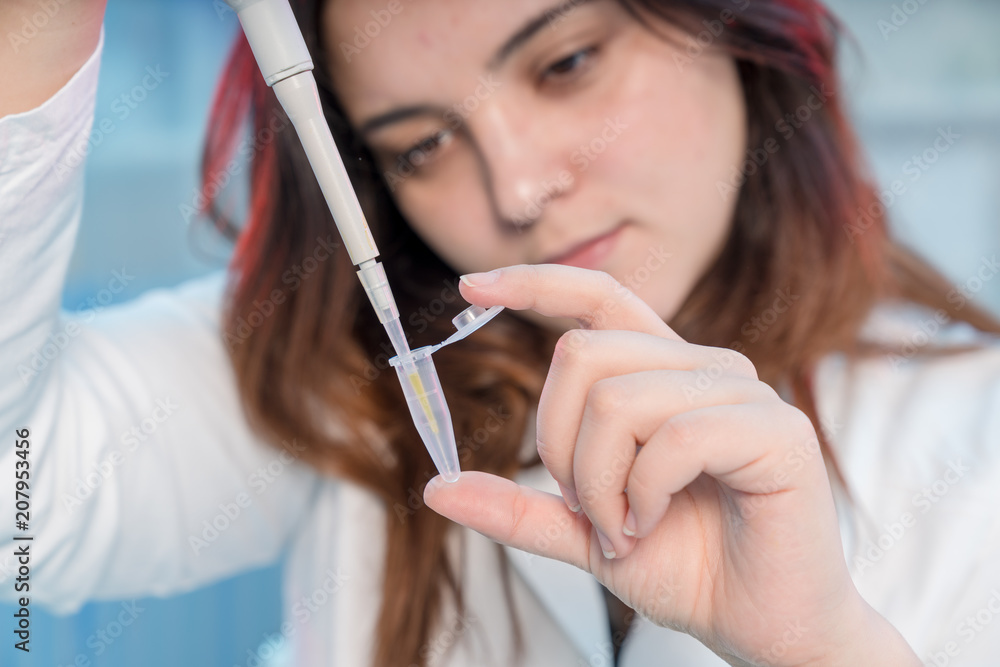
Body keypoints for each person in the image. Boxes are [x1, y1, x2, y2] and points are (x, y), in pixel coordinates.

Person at [1, 0, 998, 665]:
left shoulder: (974, 440)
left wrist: (822, 649)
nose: (519, 189)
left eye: (565, 62)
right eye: (421, 143)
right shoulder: (342, 372)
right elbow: (19, 504)